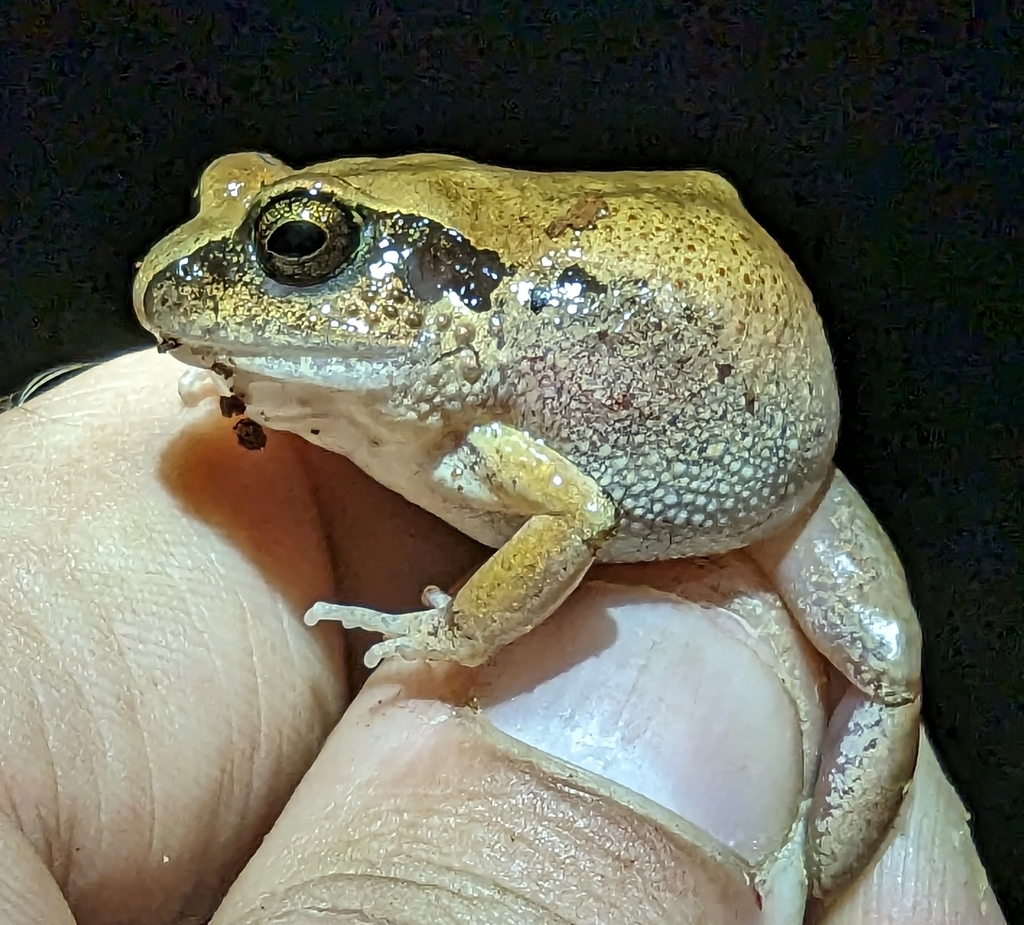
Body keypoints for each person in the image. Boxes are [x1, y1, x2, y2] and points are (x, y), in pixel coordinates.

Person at [0, 350, 1005, 924]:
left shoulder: (483, 409)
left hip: (779, 471)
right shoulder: (420, 393)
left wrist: (460, 630)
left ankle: (806, 885)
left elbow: (574, 512)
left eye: (298, 250)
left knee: (883, 666)